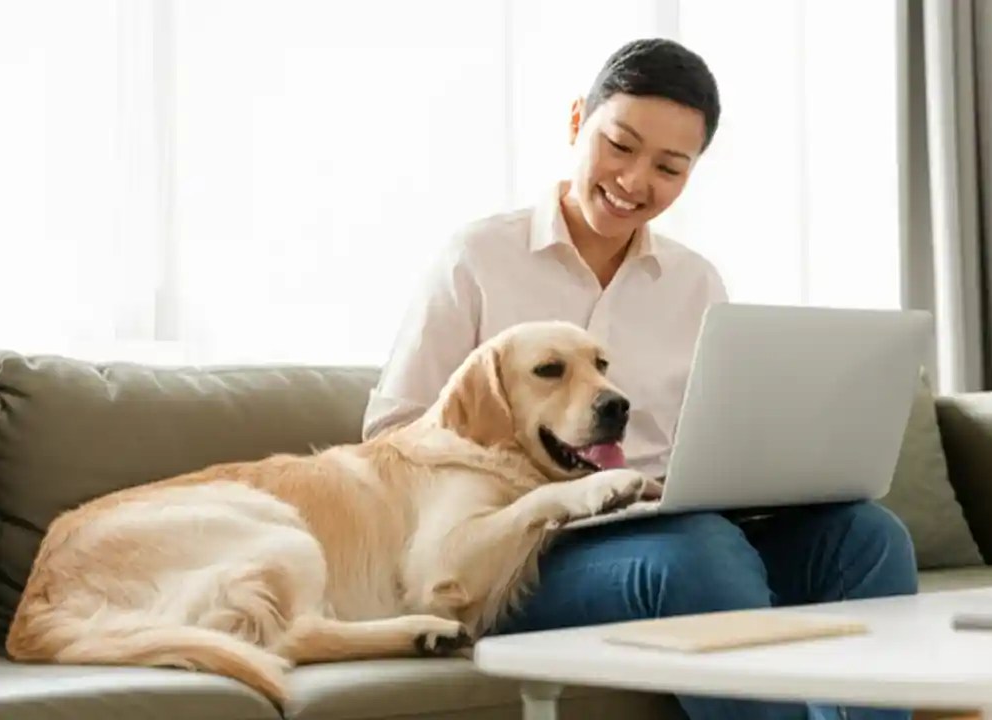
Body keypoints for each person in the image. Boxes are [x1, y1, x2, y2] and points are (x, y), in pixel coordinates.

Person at [364, 37, 918, 720]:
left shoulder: (695, 282)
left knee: (868, 536)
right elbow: (392, 434)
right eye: (619, 146)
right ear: (577, 122)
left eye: (669, 167)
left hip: (666, 523)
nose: (634, 181)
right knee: (701, 555)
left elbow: (714, 438)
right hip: (524, 550)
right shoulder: (477, 259)